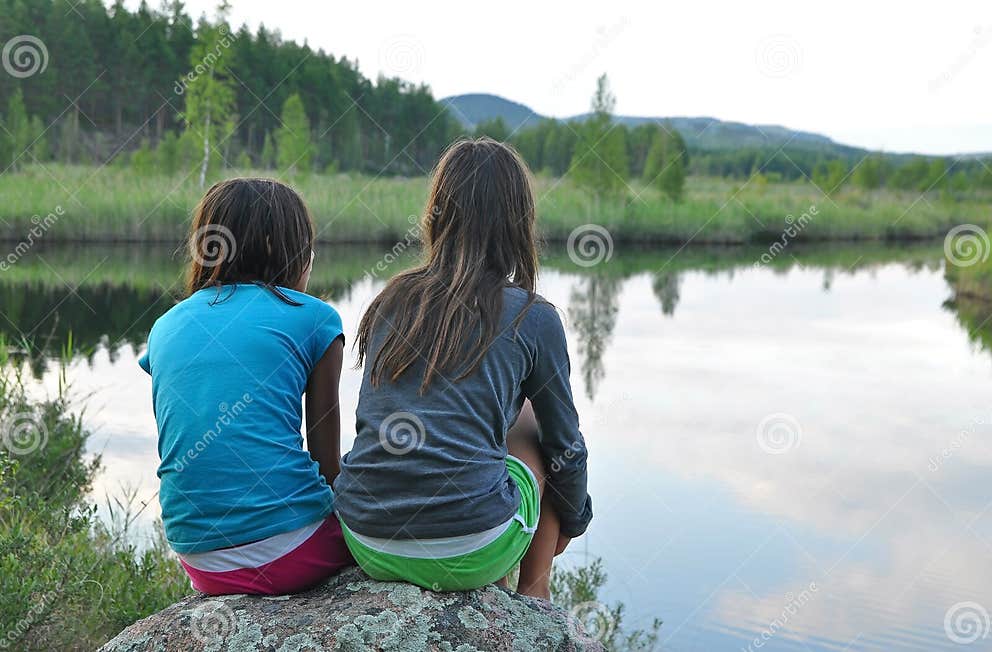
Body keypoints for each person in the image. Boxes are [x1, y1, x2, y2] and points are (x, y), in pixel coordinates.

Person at [333, 138, 593, 599]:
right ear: (518, 222)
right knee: (536, 422)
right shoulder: (532, 316)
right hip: (470, 547)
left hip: (366, 539)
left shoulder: (389, 301)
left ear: (439, 215)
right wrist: (573, 519)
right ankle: (534, 602)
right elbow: (566, 448)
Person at [139, 178, 352, 595]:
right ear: (285, 250)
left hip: (199, 559)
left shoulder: (165, 326)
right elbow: (329, 469)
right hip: (294, 551)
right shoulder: (315, 319)